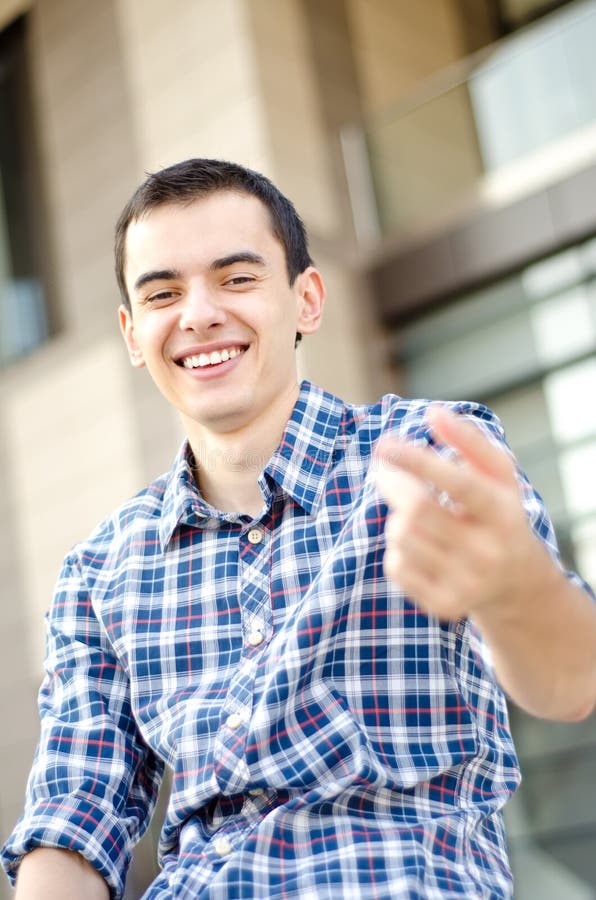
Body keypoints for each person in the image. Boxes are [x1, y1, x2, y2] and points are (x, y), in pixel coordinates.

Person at [2, 158, 595, 900]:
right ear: (131, 332)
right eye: (163, 293)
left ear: (306, 299)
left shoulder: (429, 460)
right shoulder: (99, 572)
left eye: (237, 278)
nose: (198, 314)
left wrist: (516, 588)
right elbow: (73, 824)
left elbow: (572, 684)